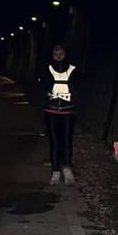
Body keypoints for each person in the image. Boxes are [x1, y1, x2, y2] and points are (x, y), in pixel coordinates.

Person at [41, 44, 77, 186]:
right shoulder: (47, 69)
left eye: (60, 53)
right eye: (55, 53)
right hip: (51, 111)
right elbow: (43, 87)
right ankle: (55, 171)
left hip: (68, 111)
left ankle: (67, 169)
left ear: (65, 53)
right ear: (52, 54)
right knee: (55, 142)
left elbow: (78, 87)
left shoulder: (73, 69)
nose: (58, 56)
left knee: (67, 141)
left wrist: (74, 100)